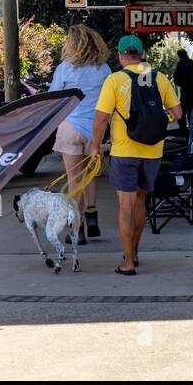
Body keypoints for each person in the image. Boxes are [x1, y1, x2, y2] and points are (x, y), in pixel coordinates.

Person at [89, 35, 182, 276]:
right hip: (152, 152)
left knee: (125, 205)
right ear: (142, 54)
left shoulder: (114, 80)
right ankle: (136, 253)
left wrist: (96, 147)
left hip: (124, 152)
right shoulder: (159, 78)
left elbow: (100, 119)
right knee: (140, 201)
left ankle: (128, 261)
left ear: (120, 56)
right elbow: (178, 113)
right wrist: (162, 119)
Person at [48, 25, 112, 242]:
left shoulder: (64, 69)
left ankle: (77, 228)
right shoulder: (103, 69)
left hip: (70, 127)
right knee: (89, 175)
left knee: (74, 180)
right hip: (95, 129)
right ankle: (91, 213)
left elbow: (54, 98)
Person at [172, 48, 193, 119]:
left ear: (179, 56)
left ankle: (183, 128)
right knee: (192, 111)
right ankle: (192, 127)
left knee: (183, 110)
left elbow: (176, 78)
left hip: (185, 91)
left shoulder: (180, 64)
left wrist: (178, 82)